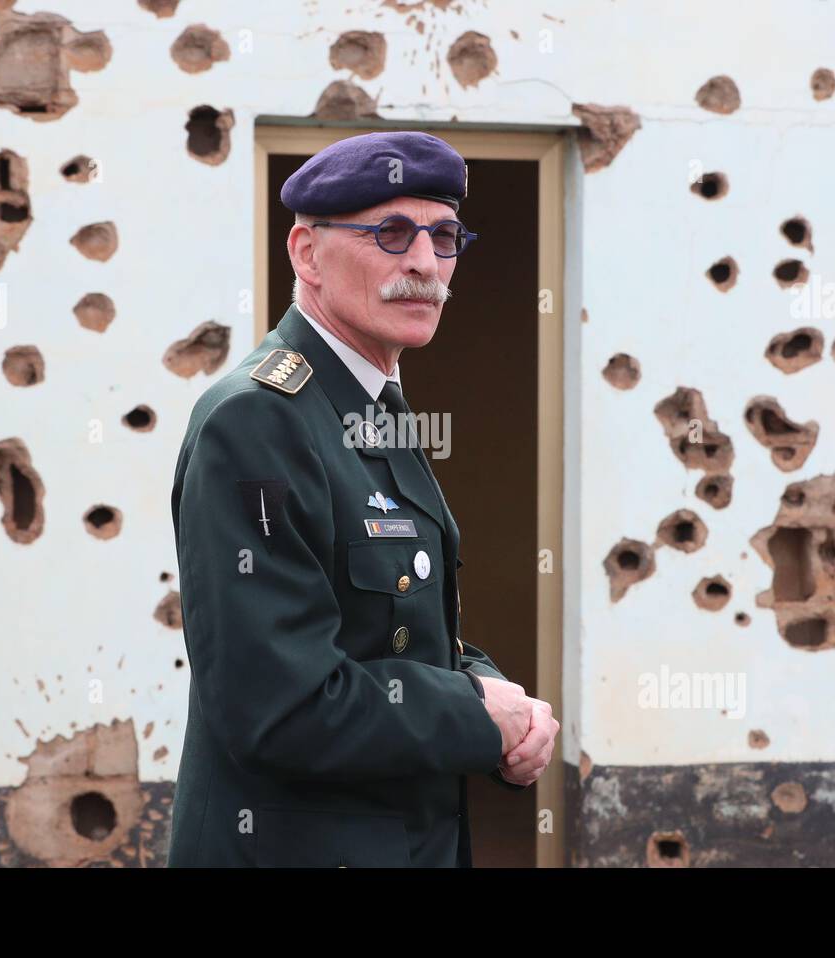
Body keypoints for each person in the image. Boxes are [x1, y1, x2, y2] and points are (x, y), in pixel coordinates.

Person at [166, 130, 559, 867]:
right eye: (391, 232)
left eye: (444, 237)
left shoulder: (369, 404)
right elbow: (282, 705)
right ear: (308, 255)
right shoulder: (257, 420)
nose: (423, 263)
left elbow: (390, 634)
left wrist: (492, 690)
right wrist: (477, 718)